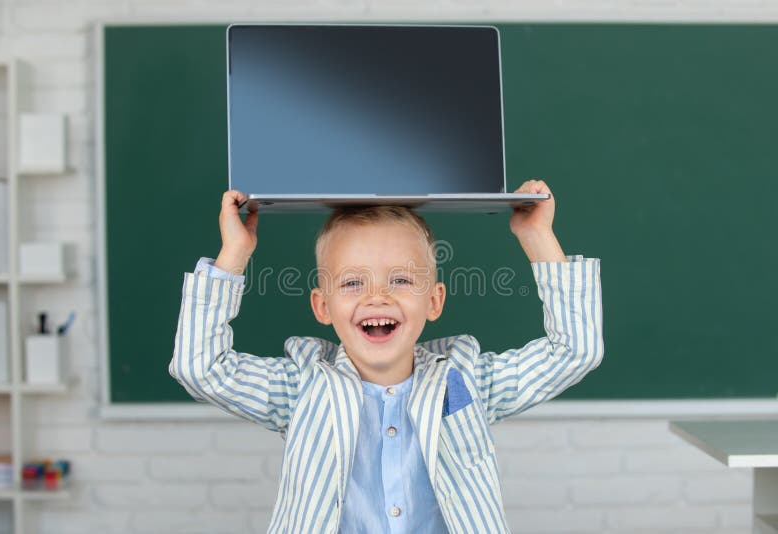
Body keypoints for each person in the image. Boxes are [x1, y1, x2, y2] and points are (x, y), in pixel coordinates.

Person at [170, 180, 603, 533]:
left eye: (399, 279)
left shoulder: (466, 379)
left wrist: (537, 237)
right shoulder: (302, 387)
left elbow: (574, 350)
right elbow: (200, 368)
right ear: (323, 307)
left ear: (434, 302)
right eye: (353, 284)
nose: (377, 296)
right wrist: (234, 254)